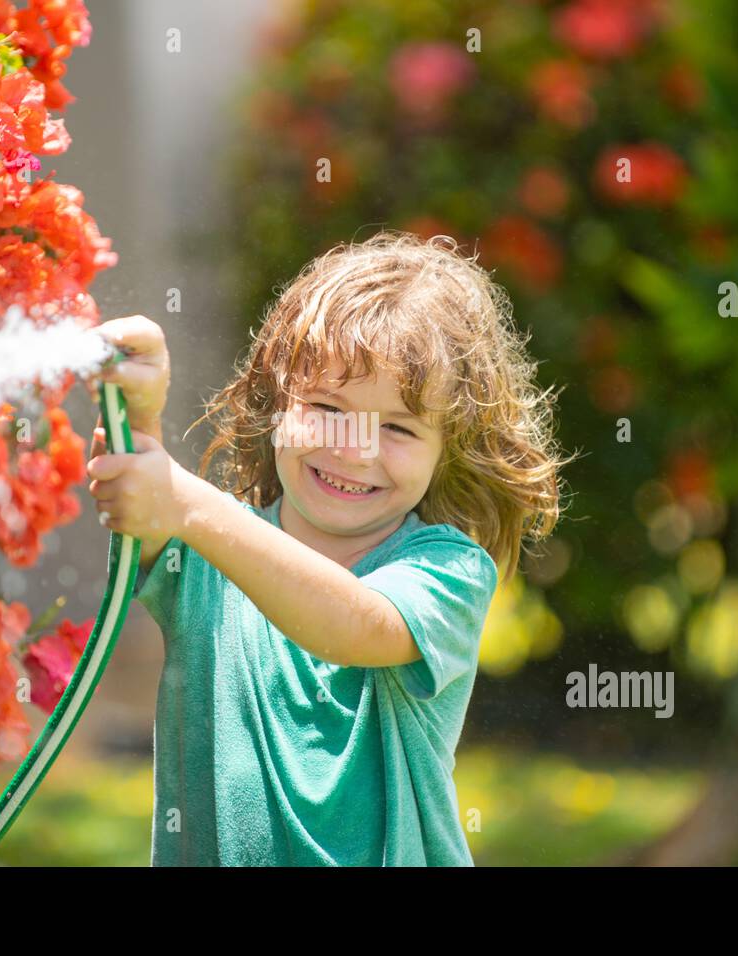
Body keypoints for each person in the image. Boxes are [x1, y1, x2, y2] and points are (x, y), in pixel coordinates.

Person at [85, 230, 565, 865]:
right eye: (326, 407)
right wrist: (137, 409)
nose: (354, 447)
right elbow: (145, 499)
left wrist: (189, 502)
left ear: (448, 447)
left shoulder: (446, 571)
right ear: (275, 403)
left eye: (397, 426)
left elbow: (353, 625)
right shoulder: (200, 554)